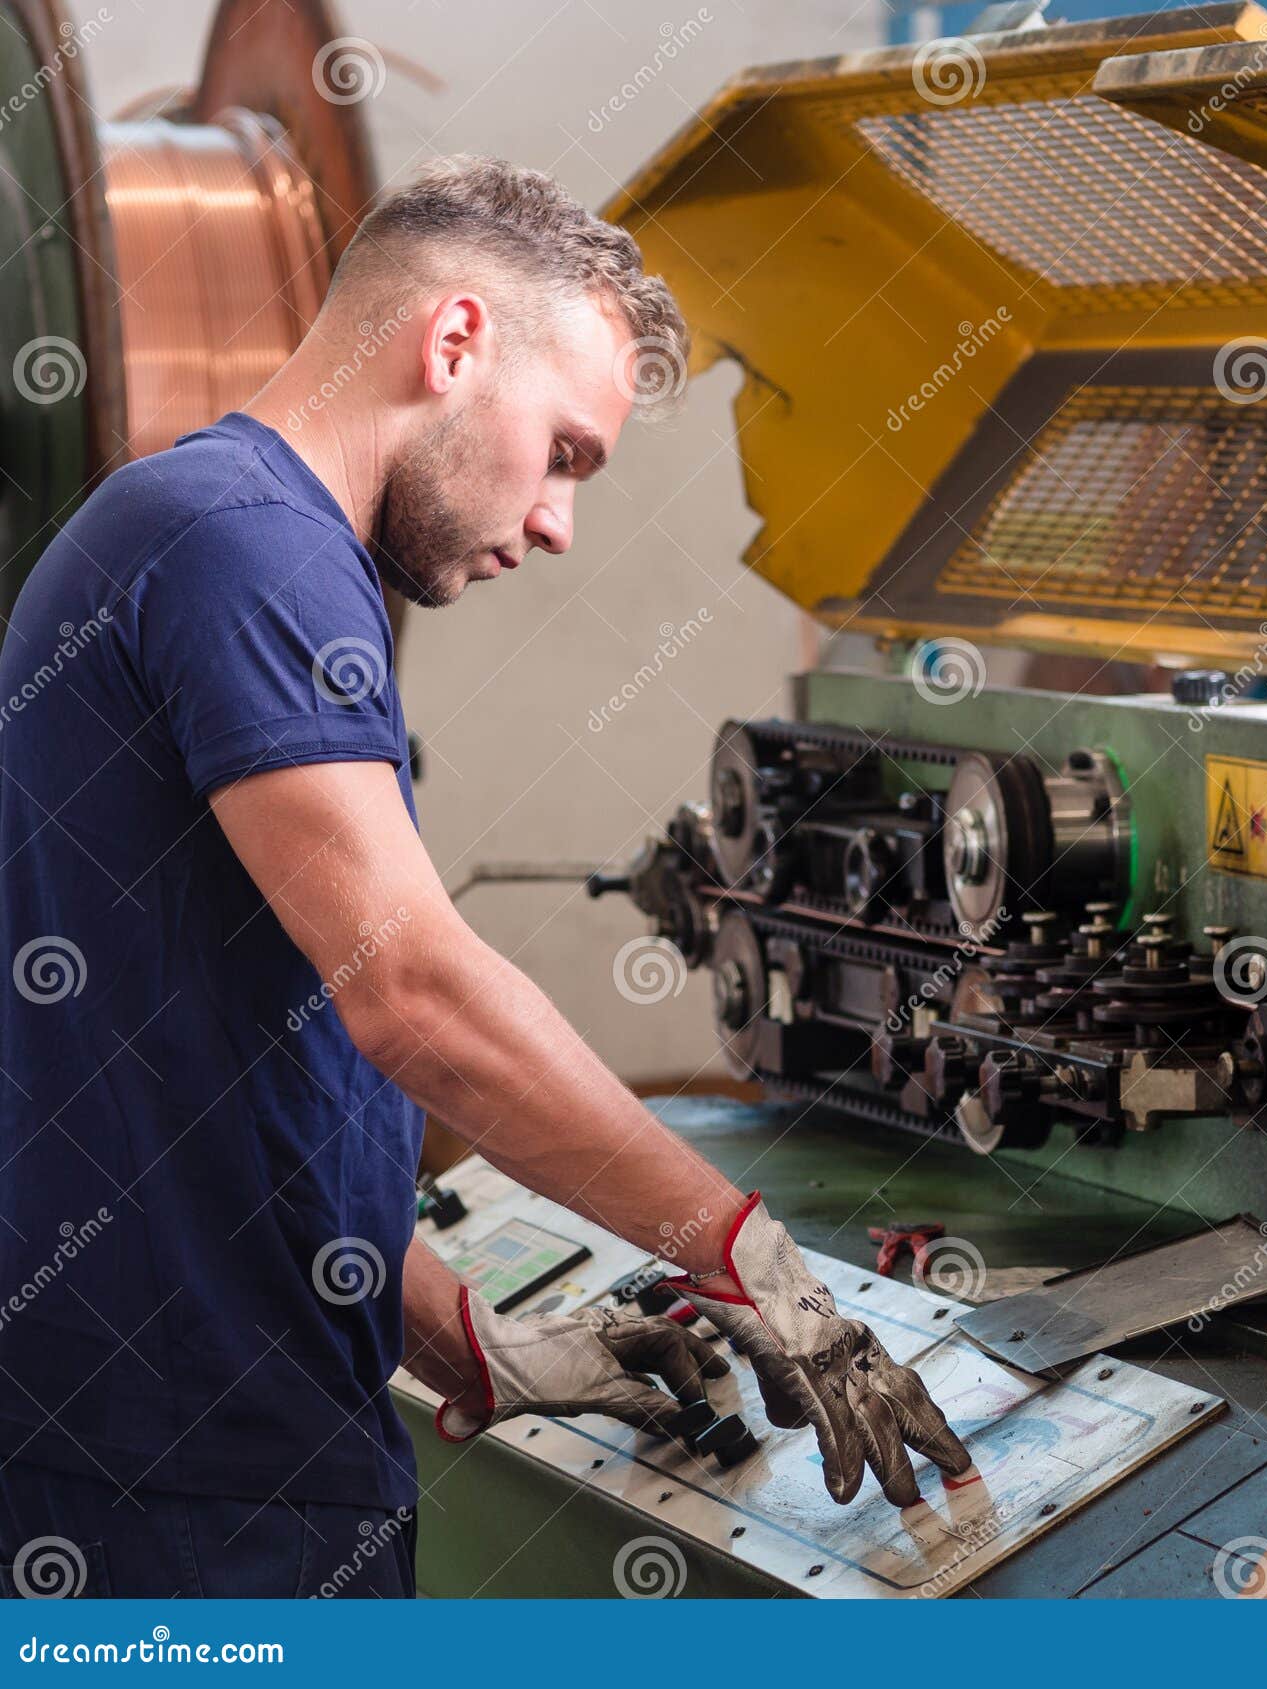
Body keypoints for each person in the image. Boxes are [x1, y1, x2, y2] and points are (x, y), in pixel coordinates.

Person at [0, 157, 970, 1599]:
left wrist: (468, 1332)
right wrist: (750, 1257)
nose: (561, 522)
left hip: (184, 1451)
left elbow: (196, 1083)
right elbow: (414, 996)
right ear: (453, 344)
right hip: (192, 1499)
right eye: (566, 451)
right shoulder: (250, 548)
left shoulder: (196, 534)